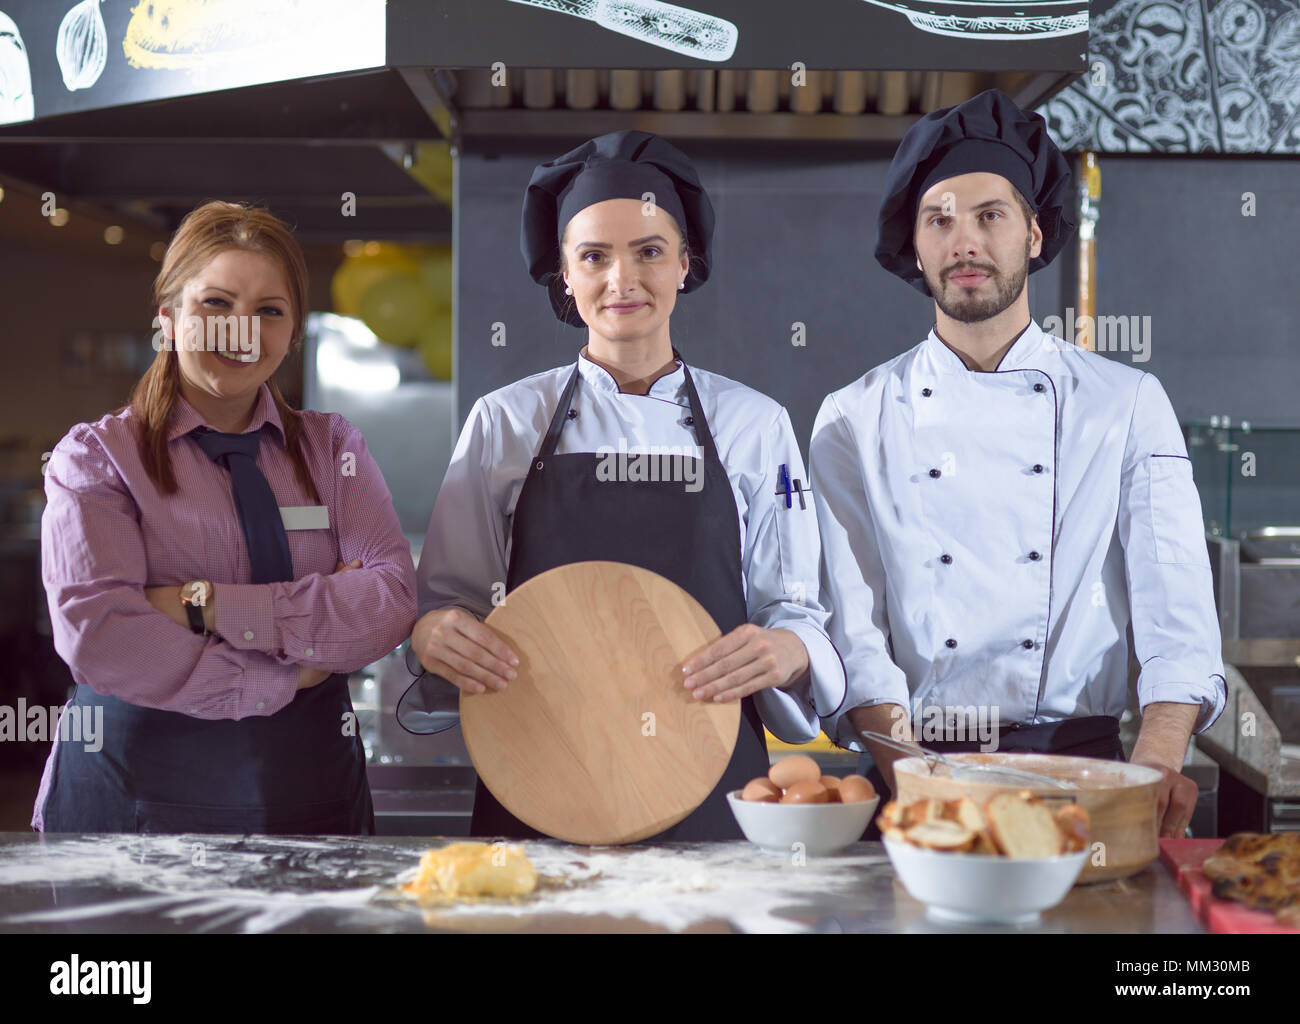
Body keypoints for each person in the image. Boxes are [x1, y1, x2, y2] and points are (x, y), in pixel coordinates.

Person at [403, 130, 845, 840]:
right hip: (539, 773)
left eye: (648, 251)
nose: (622, 280)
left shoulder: (754, 425)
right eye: (594, 257)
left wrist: (791, 649)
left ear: (684, 264)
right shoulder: (506, 422)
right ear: (564, 277)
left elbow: (792, 610)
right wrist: (433, 634)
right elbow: (447, 606)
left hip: (710, 776)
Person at [809, 89, 1224, 838]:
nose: (963, 241)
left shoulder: (1126, 403)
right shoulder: (852, 415)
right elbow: (853, 626)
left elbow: (1178, 607)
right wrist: (912, 780)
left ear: (1034, 234)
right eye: (939, 219)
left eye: (989, 215)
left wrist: (1161, 755)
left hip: (1084, 775)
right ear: (915, 244)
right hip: (913, 778)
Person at [34, 201, 416, 834]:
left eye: (270, 311)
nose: (243, 331)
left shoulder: (333, 449)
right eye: (216, 304)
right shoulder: (97, 460)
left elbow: (391, 599)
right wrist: (291, 673)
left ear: (292, 332)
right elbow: (99, 632)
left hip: (313, 791)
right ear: (168, 321)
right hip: (132, 802)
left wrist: (201, 606)